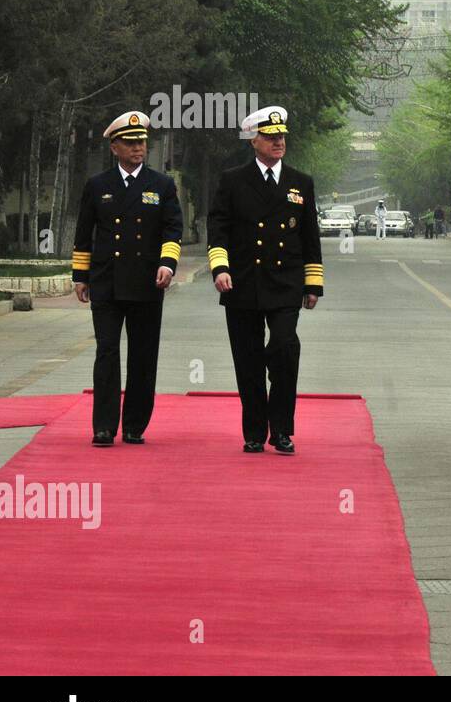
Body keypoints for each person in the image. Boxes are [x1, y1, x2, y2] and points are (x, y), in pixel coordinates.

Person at [207, 105, 323, 454]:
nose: (278, 142)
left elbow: (309, 235)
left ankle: (282, 428)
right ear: (253, 140)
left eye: (282, 137)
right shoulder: (233, 180)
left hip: (285, 283)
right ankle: (254, 431)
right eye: (271, 137)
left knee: (285, 349)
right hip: (242, 281)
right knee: (248, 358)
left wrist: (312, 282)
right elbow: (219, 229)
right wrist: (220, 268)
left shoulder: (300, 183)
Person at [72, 110, 183, 447]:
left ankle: (134, 424)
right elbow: (83, 233)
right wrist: (81, 275)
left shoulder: (160, 185)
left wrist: (168, 263)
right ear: (114, 147)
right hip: (106, 281)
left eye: (142, 143)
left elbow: (172, 228)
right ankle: (104, 426)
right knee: (106, 351)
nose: (138, 149)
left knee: (142, 354)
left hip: (147, 282)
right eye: (131, 143)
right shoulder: (98, 186)